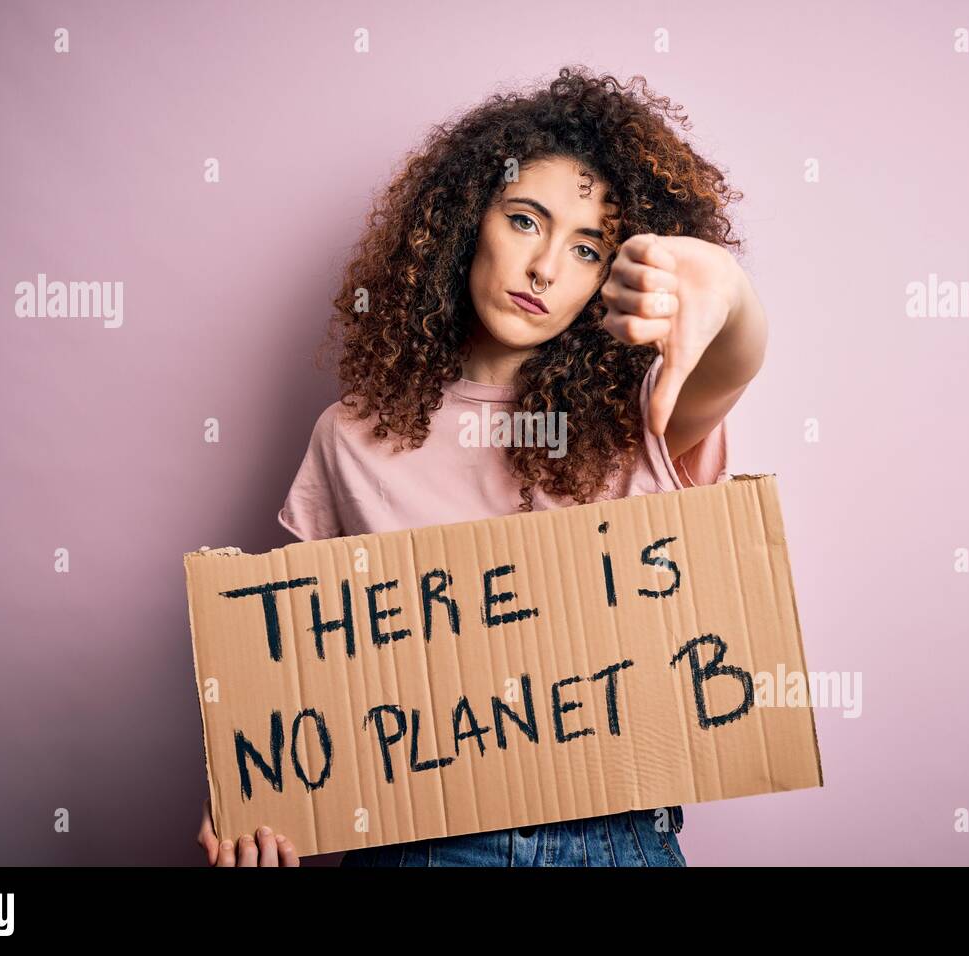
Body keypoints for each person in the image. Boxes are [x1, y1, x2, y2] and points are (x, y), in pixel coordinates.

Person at [197, 65, 767, 867]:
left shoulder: (646, 415)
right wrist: (249, 803)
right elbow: (302, 676)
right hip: (419, 842)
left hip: (615, 839)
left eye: (587, 248)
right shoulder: (350, 438)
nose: (544, 270)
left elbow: (736, 357)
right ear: (469, 220)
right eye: (525, 221)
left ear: (609, 278)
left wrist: (728, 292)